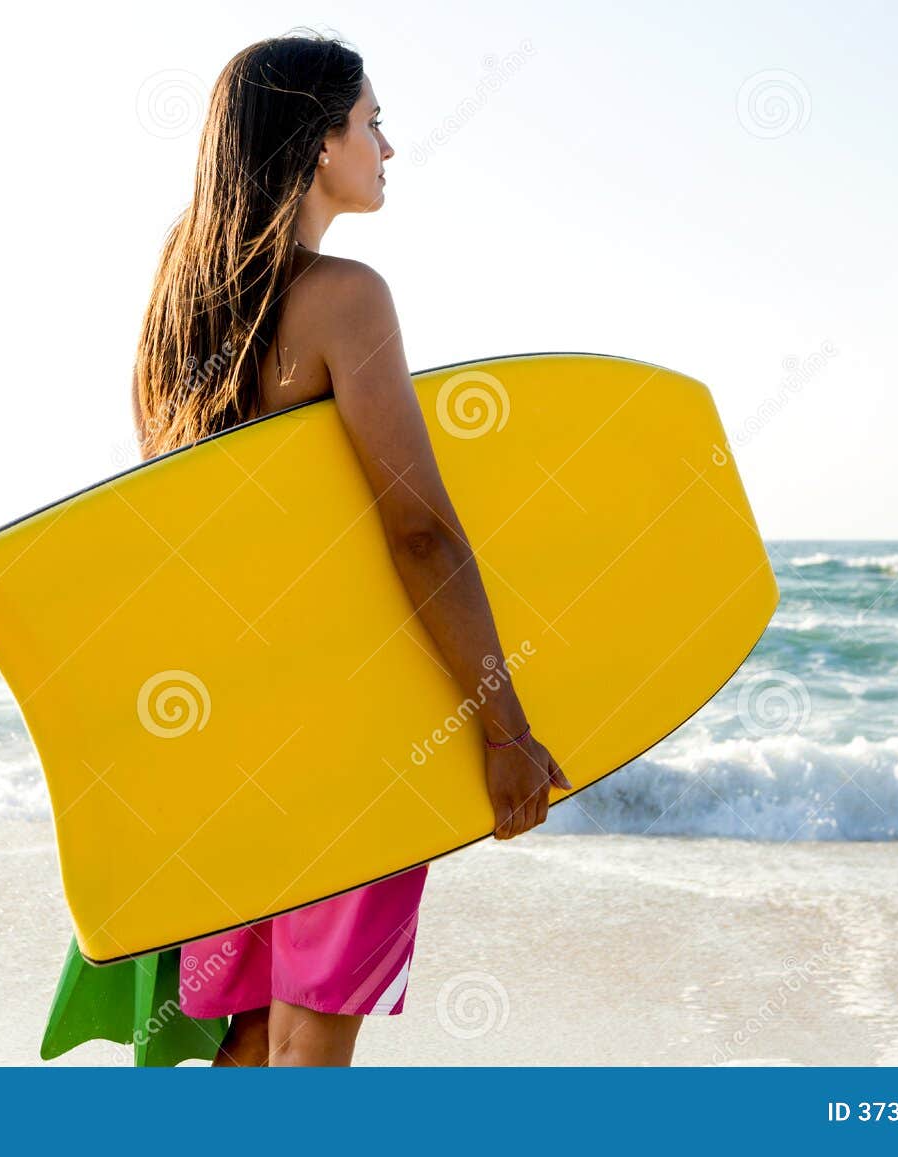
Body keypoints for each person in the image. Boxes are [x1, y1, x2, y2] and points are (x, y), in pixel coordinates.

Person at [131, 30, 570, 1067]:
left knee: (249, 1028)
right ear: (319, 143)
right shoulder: (345, 297)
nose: (388, 145)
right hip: (344, 717)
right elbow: (417, 527)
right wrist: (502, 726)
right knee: (314, 1029)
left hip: (223, 715)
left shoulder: (174, 304)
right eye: (371, 122)